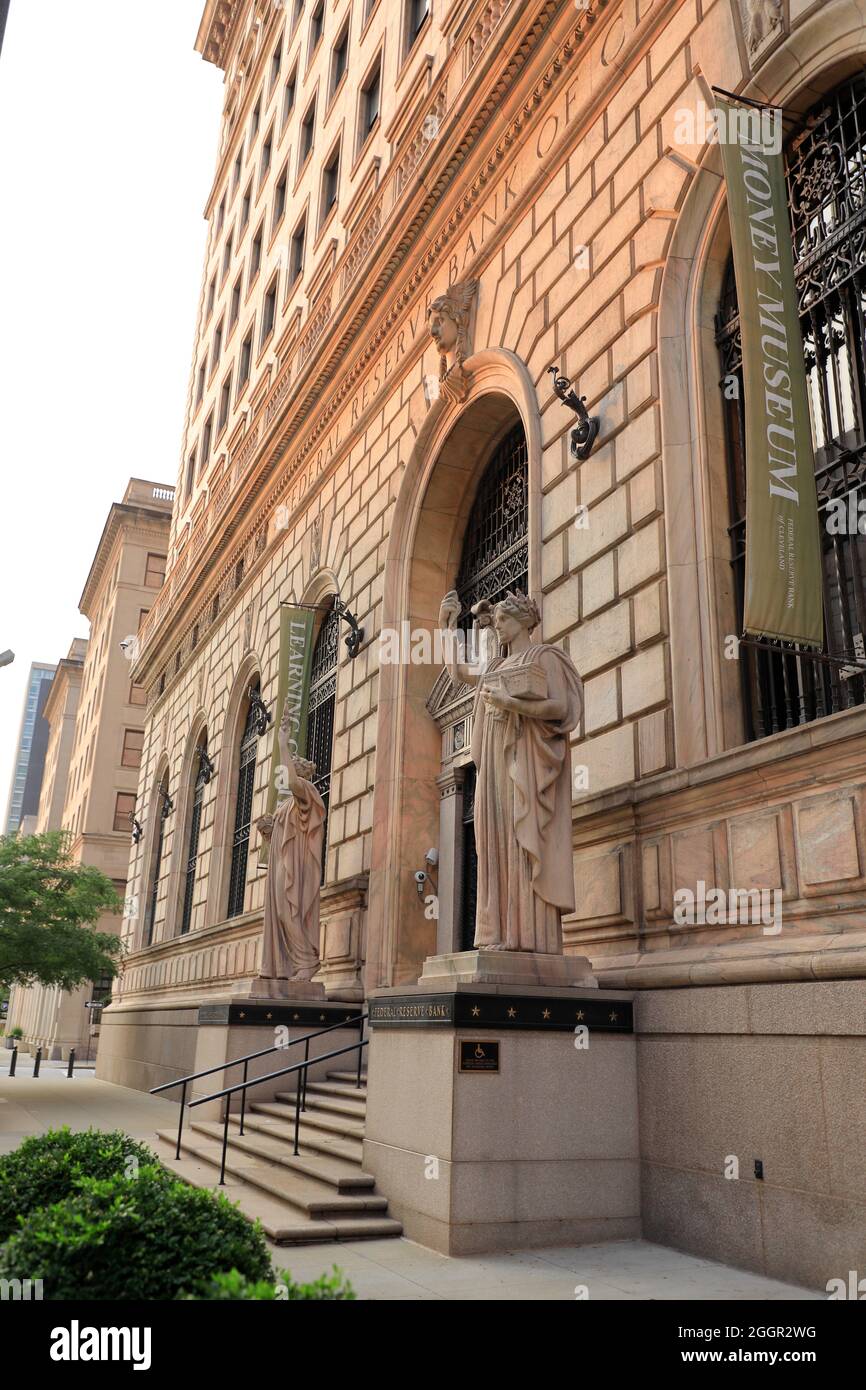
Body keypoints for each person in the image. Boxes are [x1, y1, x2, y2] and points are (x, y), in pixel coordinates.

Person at [439, 588, 583, 953]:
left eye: (503, 620)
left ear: (521, 622)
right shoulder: (494, 667)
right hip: (493, 769)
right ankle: (498, 932)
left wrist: (510, 703)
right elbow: (456, 673)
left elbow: (561, 708)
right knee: (494, 842)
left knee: (520, 841)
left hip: (525, 764)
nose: (497, 627)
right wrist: (446, 626)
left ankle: (528, 937)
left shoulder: (544, 656)